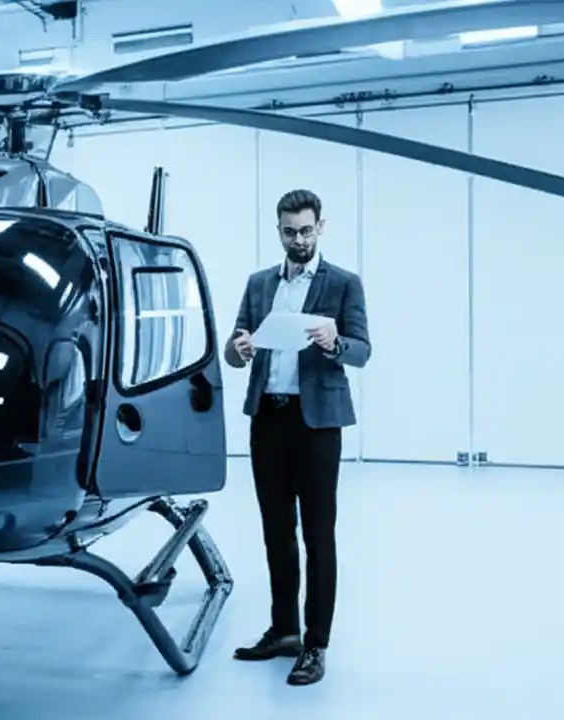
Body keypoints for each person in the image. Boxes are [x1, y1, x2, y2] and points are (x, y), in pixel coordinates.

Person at [222, 189, 371, 686]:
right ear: (279, 230)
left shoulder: (344, 283)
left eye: (306, 230)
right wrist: (239, 348)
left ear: (320, 227)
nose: (299, 239)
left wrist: (336, 344)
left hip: (317, 425)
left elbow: (362, 350)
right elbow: (235, 346)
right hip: (268, 418)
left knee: (317, 535)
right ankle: (283, 630)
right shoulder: (260, 283)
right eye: (290, 231)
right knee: (276, 532)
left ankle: (316, 644)